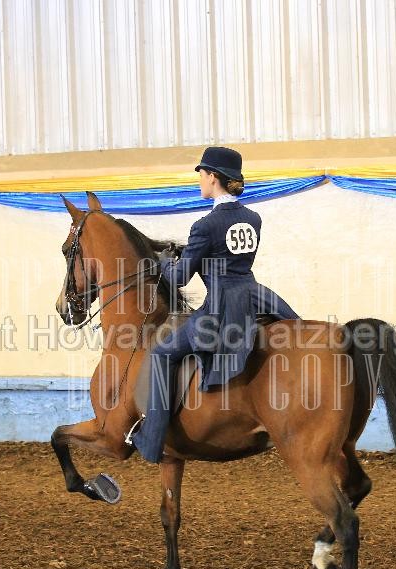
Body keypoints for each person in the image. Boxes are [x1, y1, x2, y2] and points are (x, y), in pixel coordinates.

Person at [129, 146, 301, 463]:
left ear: (213, 177)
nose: (199, 180)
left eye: (202, 174)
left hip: (221, 306)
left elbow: (180, 278)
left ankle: (151, 441)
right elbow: (227, 259)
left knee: (162, 354)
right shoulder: (253, 218)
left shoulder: (204, 226)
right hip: (253, 294)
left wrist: (164, 262)